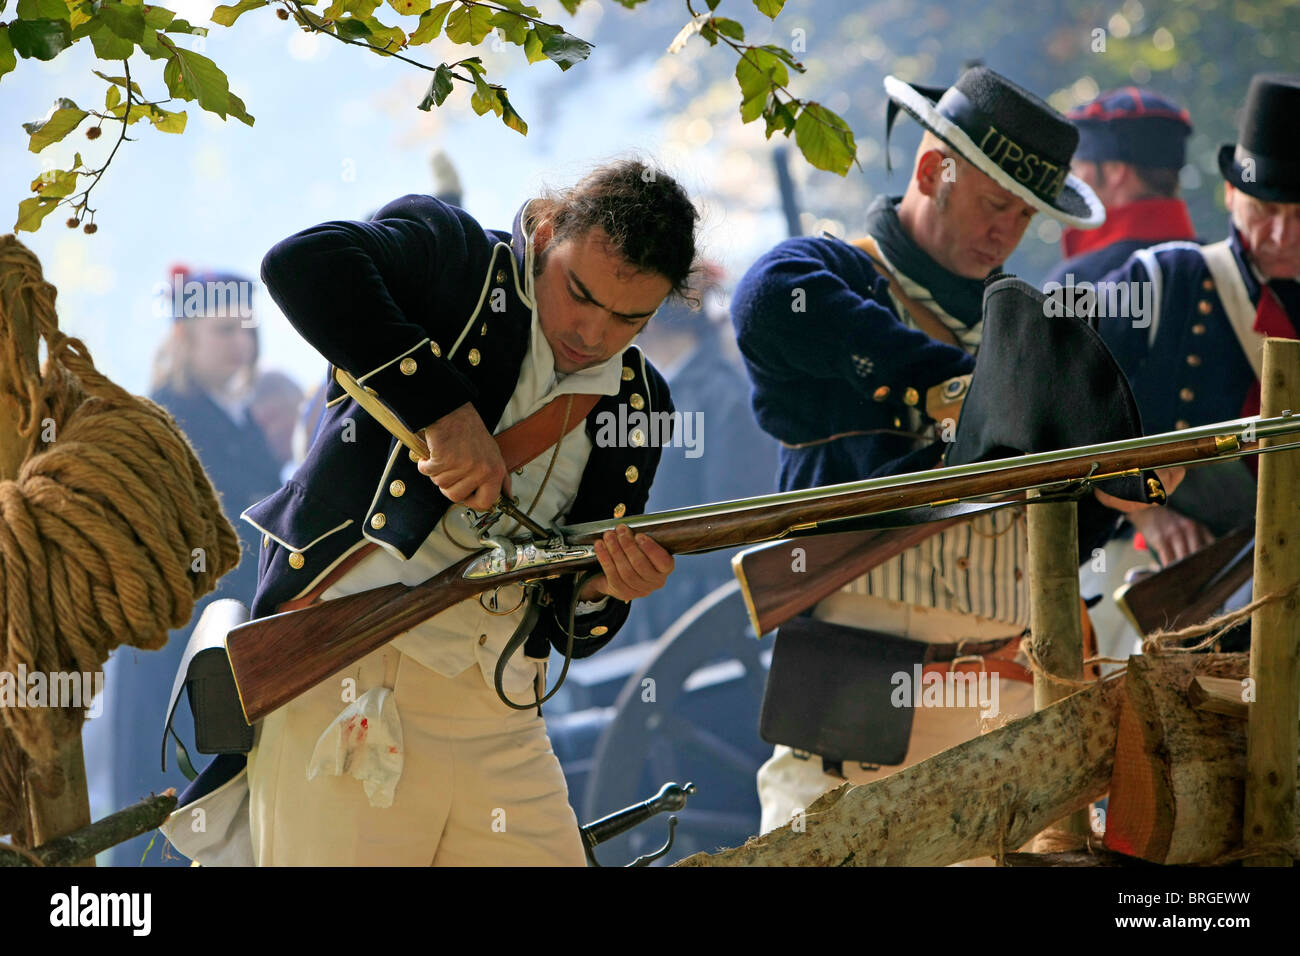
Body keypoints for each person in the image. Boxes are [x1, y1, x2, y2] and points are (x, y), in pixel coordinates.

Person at [192, 159, 699, 866]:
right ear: (547, 232)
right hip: (354, 677)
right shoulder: (454, 258)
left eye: (630, 318)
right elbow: (303, 263)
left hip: (504, 710)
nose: (593, 332)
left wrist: (605, 585)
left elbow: (574, 620)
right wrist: (442, 411)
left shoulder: (641, 401)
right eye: (579, 293)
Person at [731, 66, 1111, 838]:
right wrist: (947, 386)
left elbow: (1070, 532)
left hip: (1008, 689)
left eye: (1024, 215)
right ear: (933, 169)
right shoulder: (837, 277)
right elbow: (766, 300)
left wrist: (1113, 486)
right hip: (855, 693)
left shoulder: (1028, 336)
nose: (1007, 231)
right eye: (995, 202)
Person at [101, 269, 281, 866]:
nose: (241, 343)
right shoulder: (164, 417)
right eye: (224, 329)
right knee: (168, 801)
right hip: (175, 642)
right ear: (185, 337)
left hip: (225, 638)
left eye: (247, 329)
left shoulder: (237, 418)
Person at [1096, 73, 1300, 570]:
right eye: (1265, 208)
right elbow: (1072, 403)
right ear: (1231, 195)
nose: (1281, 233)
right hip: (1170, 575)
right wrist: (1147, 514)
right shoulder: (1167, 279)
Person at [1043, 88, 1198, 671]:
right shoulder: (1210, 266)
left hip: (1113, 561)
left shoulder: (1078, 280)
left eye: (1084, 170)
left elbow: (1055, 427)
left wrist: (1144, 511)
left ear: (1116, 174)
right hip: (1225, 557)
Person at [1045, 88, 1197, 287]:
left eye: (1078, 166)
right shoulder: (1217, 267)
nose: (1072, 179)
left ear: (1115, 171)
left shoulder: (1076, 282)